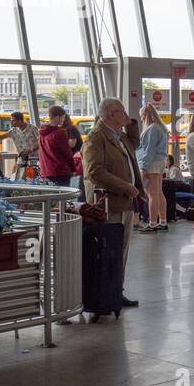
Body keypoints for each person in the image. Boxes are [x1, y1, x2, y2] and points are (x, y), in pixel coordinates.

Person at [80, 98, 142, 307]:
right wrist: (125, 186)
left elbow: (135, 142)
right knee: (109, 250)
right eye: (121, 111)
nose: (125, 114)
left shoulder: (120, 136)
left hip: (125, 202)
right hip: (108, 203)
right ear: (110, 115)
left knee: (121, 250)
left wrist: (131, 122)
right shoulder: (96, 138)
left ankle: (116, 290)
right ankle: (106, 292)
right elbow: (94, 171)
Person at [135, 103, 169, 233]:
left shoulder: (151, 129)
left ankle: (152, 223)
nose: (141, 118)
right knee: (159, 193)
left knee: (152, 194)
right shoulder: (160, 128)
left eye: (142, 116)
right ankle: (163, 221)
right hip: (159, 163)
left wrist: (143, 168)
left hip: (151, 164)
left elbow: (149, 151)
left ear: (145, 115)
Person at [0, 111, 37, 176]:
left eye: (13, 121)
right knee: (21, 176)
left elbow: (41, 141)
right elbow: (2, 136)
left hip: (34, 158)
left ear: (20, 120)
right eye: (11, 121)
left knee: (33, 176)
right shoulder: (13, 130)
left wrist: (31, 149)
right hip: (23, 158)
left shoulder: (32, 128)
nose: (11, 123)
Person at [38, 106, 75, 186]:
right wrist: (73, 168)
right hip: (60, 171)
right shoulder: (60, 132)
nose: (63, 119)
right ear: (57, 117)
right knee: (65, 196)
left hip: (46, 171)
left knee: (52, 197)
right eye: (63, 117)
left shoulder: (42, 132)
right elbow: (66, 152)